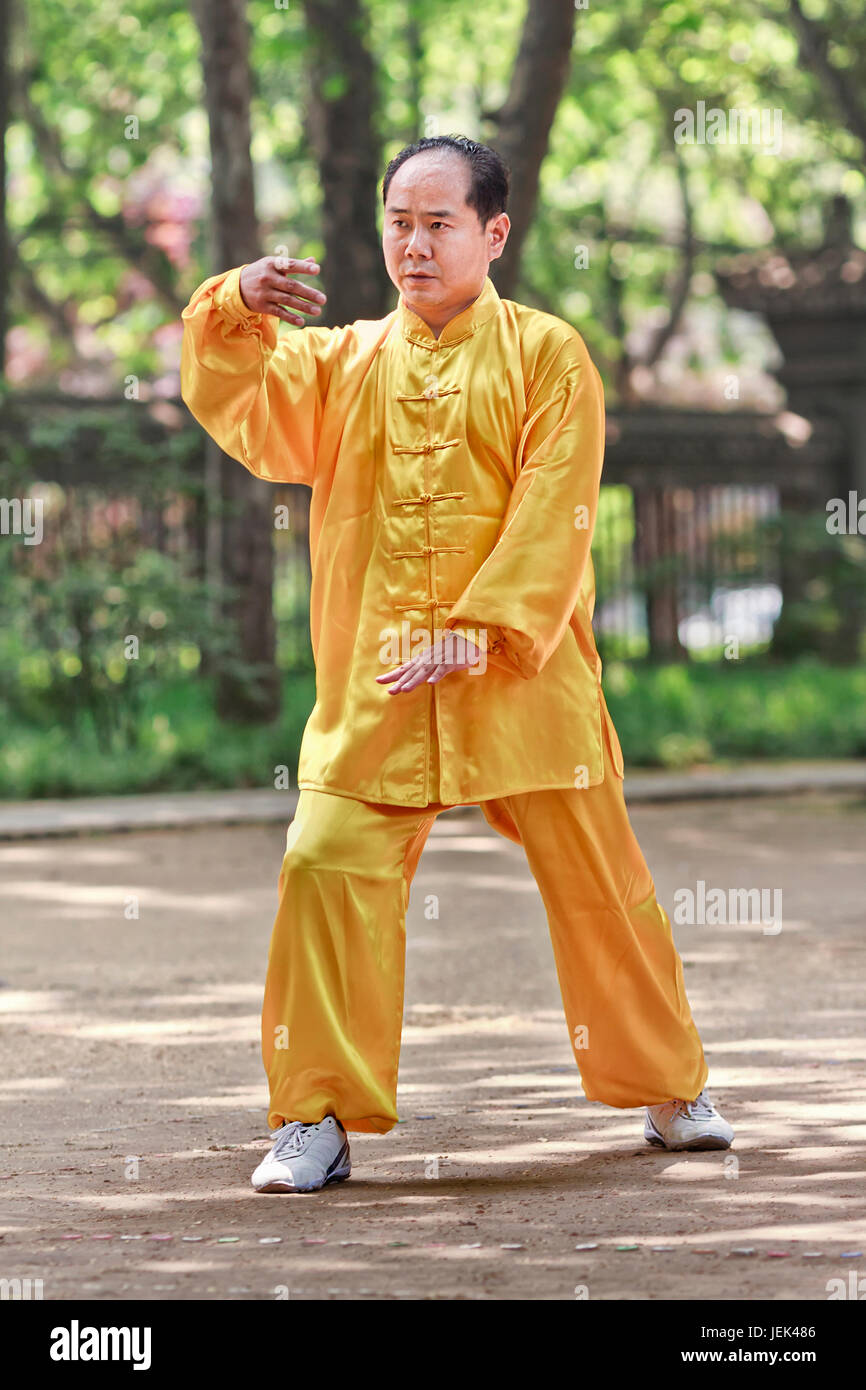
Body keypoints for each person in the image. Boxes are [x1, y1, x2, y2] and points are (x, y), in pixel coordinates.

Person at [180, 134, 733, 1195]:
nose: (413, 244)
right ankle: (317, 1115)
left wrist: (478, 628)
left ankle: (669, 1088)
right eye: (398, 221)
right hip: (378, 685)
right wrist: (234, 303)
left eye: (438, 223)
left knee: (599, 880)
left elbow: (554, 508)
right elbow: (242, 391)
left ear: (493, 233)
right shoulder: (340, 364)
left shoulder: (546, 355)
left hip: (521, 676)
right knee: (321, 861)